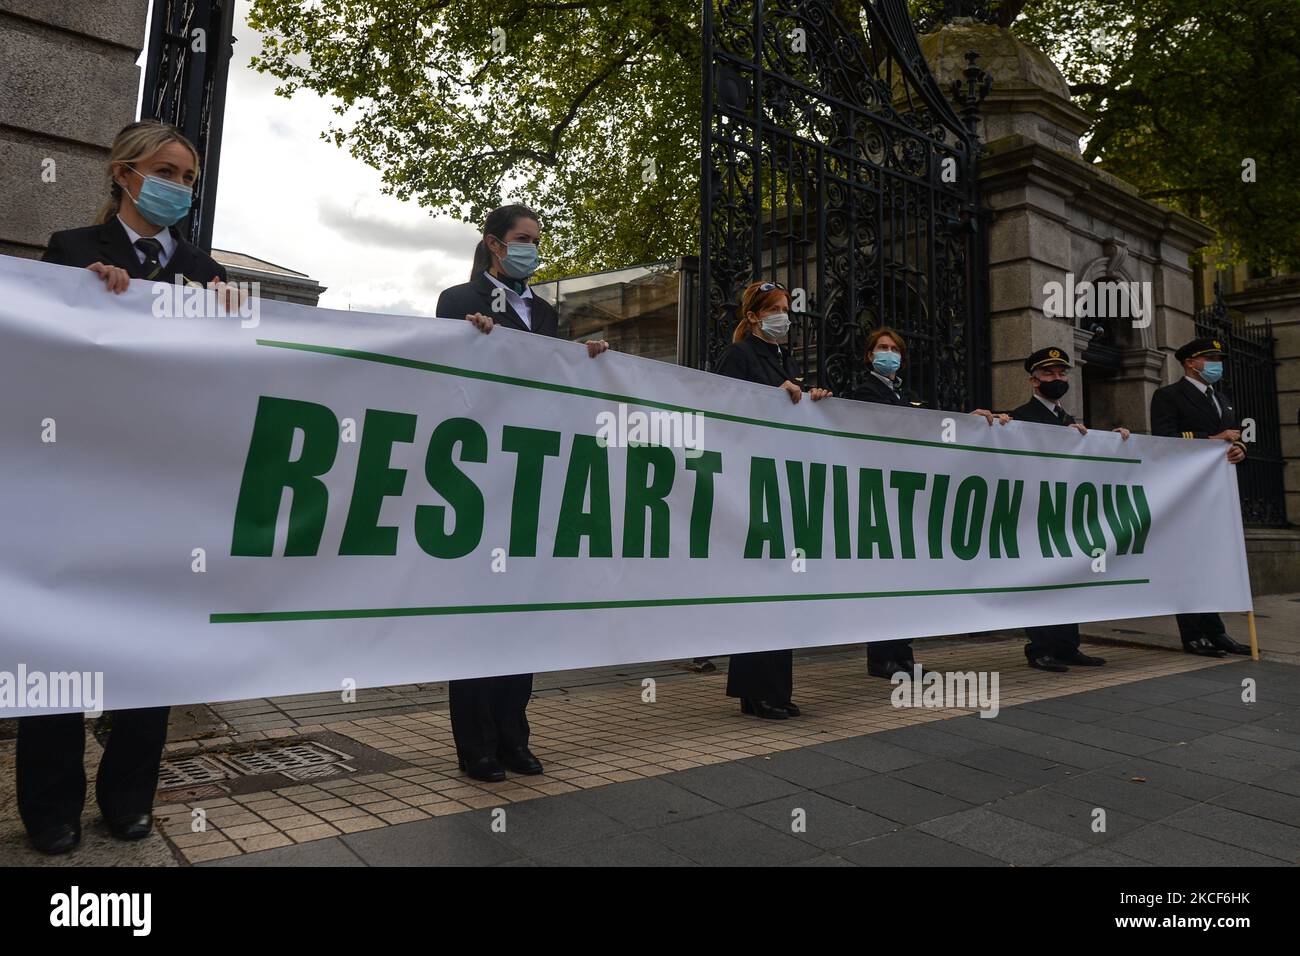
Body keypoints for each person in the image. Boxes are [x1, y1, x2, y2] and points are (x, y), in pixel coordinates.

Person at [18, 120, 229, 856]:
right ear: (124, 172)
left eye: (190, 178)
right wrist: (96, 301)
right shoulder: (73, 252)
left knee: (149, 653)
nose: (180, 187)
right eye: (167, 171)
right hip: (79, 491)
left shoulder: (208, 274)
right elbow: (43, 361)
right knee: (63, 652)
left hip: (166, 497)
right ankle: (50, 809)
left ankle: (129, 800)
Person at [436, 203, 608, 781]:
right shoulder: (457, 302)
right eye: (523, 238)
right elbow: (439, 378)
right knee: (477, 613)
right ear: (494, 244)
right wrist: (468, 341)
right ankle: (476, 744)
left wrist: (588, 366)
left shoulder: (546, 312)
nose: (533, 247)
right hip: (480, 473)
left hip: (532, 476)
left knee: (523, 612)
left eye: (538, 238)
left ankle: (514, 735)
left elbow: (552, 387)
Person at [853, 327, 1011, 678]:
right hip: (880, 493)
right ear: (869, 355)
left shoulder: (909, 396)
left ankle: (903, 651)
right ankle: (881, 656)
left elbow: (932, 429)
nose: (888, 353)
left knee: (907, 580)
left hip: (909, 496)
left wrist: (969, 424)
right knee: (886, 582)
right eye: (882, 347)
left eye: (894, 348)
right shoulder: (861, 393)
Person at [714, 280, 832, 718]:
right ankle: (757, 690)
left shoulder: (783, 357)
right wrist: (771, 399)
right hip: (749, 481)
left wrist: (812, 401)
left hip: (778, 481)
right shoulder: (740, 355)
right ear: (753, 316)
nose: (784, 315)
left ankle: (771, 689)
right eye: (775, 309)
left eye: (786, 307)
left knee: (779, 587)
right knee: (760, 587)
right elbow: (723, 410)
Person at [1010, 347, 1131, 672]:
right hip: (1035, 514)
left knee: (1068, 581)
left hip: (1067, 517)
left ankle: (1067, 646)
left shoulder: (1069, 420)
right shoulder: (1020, 417)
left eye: (1062, 373)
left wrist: (1115, 441)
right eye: (1049, 374)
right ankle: (1040, 648)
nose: (1057, 379)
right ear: (1034, 381)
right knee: (1040, 583)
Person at [1150, 337, 1251, 656]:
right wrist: (1212, 439)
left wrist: (1240, 448)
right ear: (1190, 362)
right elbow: (1164, 440)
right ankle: (1193, 633)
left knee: (1213, 562)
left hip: (1218, 492)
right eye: (1210, 358)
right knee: (1189, 563)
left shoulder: (1222, 398)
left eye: (1217, 358)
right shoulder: (1168, 396)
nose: (1216, 363)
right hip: (1187, 492)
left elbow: (1235, 435)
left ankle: (1216, 630)